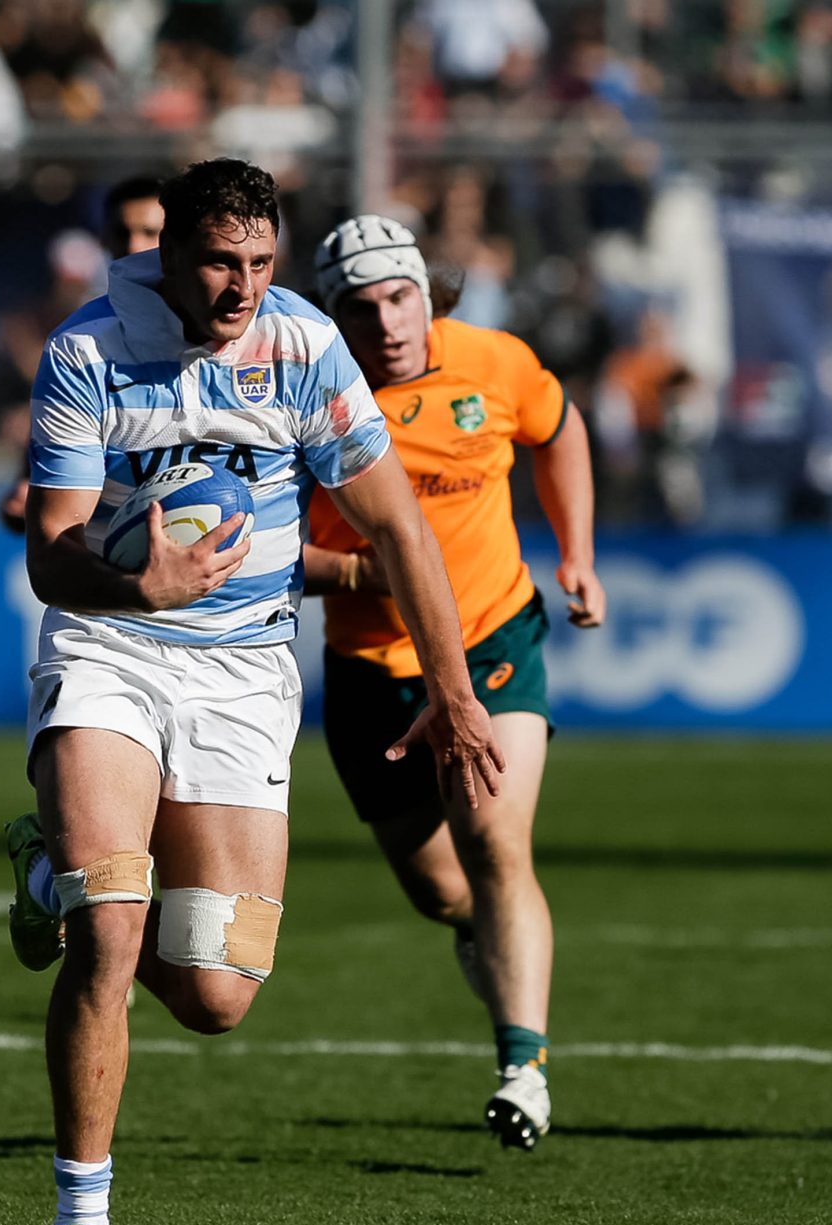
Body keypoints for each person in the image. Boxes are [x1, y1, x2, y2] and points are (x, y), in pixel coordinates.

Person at [3, 160, 502, 1225]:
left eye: (261, 264)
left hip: (240, 671)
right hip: (110, 650)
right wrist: (143, 587)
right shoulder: (86, 349)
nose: (242, 290)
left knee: (217, 993)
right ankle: (79, 1220)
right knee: (110, 926)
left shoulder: (301, 345)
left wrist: (453, 688)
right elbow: (49, 551)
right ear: (169, 253)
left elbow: (397, 528)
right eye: (221, 264)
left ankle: (44, 875)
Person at [302, 215, 607, 1152]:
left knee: (493, 838)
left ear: (428, 290)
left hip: (491, 639)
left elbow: (559, 431)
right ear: (333, 317)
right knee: (444, 891)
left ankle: (523, 1064)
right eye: (362, 307)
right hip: (373, 670)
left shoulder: (496, 362)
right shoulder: (298, 400)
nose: (388, 322)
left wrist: (578, 554)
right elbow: (257, 550)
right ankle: (488, 932)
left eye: (400, 296)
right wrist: (359, 573)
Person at [0, 176, 167, 534]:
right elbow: (61, 407)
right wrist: (29, 479)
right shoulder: (81, 337)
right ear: (104, 239)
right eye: (123, 233)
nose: (136, 246)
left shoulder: (227, 322)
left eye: (151, 233)